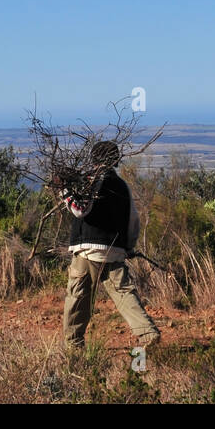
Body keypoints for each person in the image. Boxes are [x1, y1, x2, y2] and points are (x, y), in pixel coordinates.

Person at [61, 141, 161, 350]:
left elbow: (80, 210)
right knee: (124, 293)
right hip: (115, 250)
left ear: (94, 158)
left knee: (78, 297)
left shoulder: (90, 180)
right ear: (115, 160)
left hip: (87, 250)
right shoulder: (123, 186)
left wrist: (65, 190)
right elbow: (133, 220)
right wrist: (129, 247)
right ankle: (147, 332)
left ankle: (73, 345)